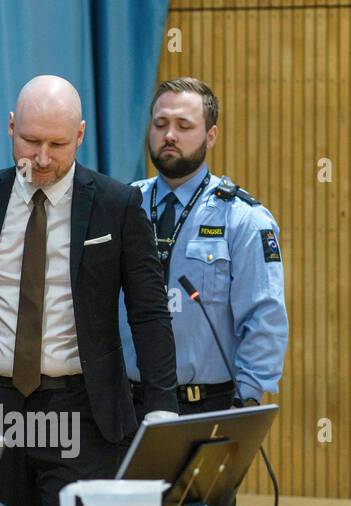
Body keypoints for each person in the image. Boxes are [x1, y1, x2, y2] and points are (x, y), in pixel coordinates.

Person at [0, 75, 178, 506]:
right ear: (11, 128)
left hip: (83, 413)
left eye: (57, 145)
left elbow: (148, 312)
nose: (41, 158)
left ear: (80, 135)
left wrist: (162, 409)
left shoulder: (117, 204)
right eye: (31, 141)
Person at [121, 77, 288, 415]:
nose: (169, 135)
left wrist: (247, 399)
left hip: (204, 405)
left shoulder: (242, 219)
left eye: (184, 125)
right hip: (124, 406)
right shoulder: (123, 206)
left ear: (210, 136)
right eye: (160, 124)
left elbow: (264, 318)